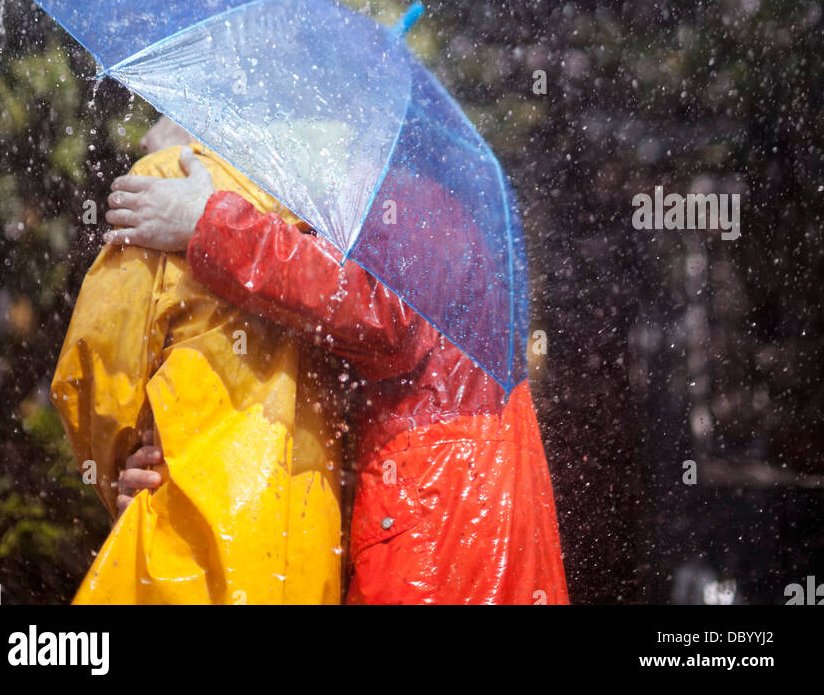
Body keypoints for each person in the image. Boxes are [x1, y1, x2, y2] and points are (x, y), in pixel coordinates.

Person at [105, 150, 570, 605]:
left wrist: (210, 224)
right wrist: (177, 486)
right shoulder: (390, 197)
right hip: (448, 515)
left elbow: (380, 309)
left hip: (442, 524)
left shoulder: (405, 191)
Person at [51, 117, 343, 605]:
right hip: (308, 542)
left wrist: (117, 468)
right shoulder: (330, 210)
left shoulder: (163, 179)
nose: (146, 130)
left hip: (185, 539)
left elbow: (98, 370)